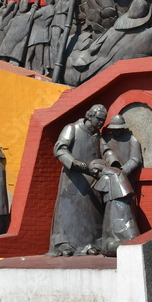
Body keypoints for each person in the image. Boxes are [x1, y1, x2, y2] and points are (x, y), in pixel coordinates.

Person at [47, 104, 107, 256]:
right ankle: (66, 245)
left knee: (91, 214)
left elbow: (106, 151)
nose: (101, 123)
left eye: (103, 120)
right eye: (99, 119)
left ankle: (89, 244)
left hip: (92, 180)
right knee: (70, 213)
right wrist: (74, 163)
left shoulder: (97, 136)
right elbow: (59, 149)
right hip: (73, 178)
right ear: (89, 116)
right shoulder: (72, 129)